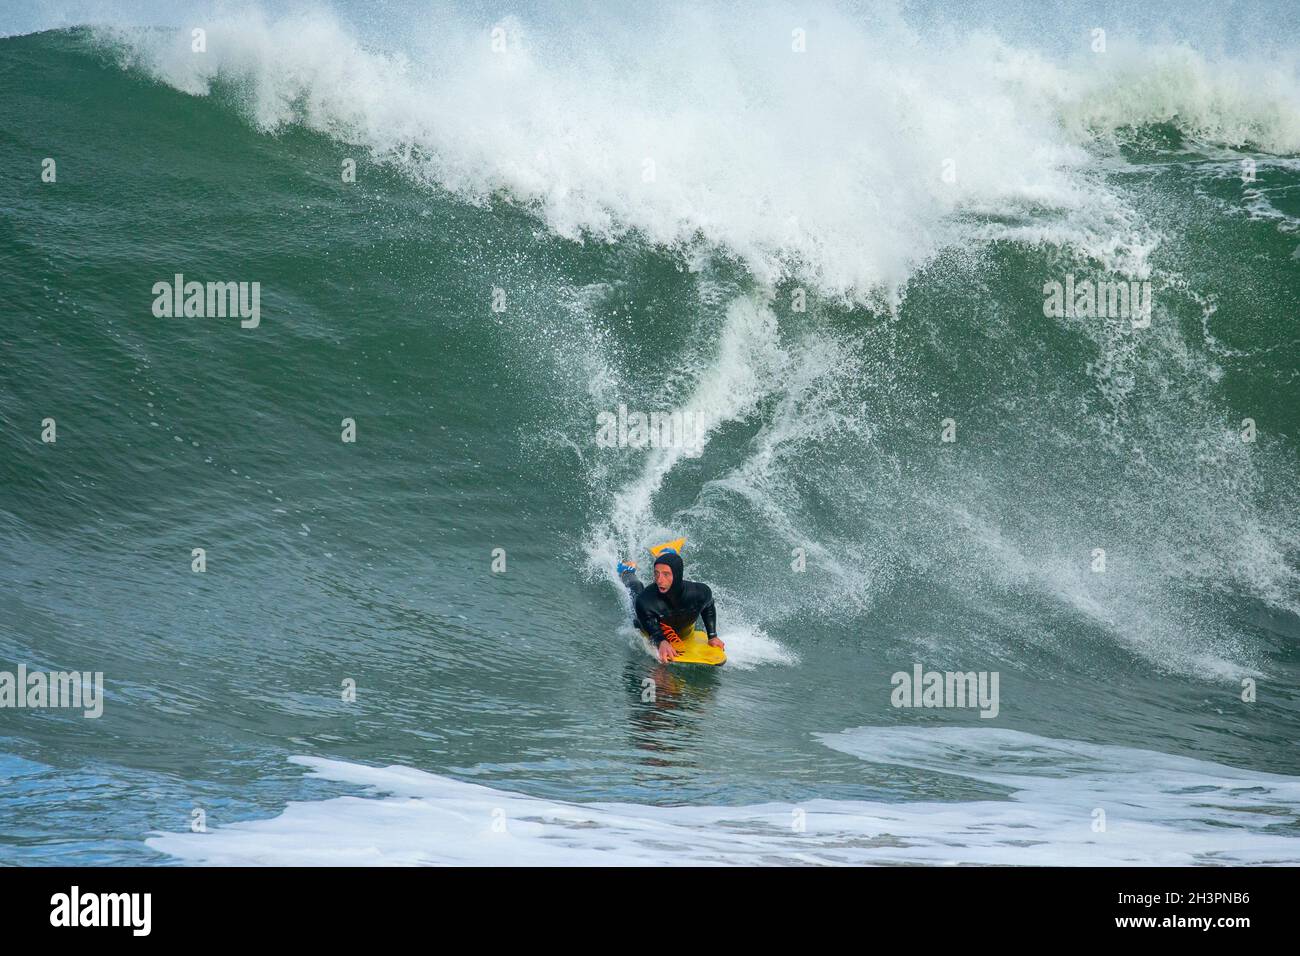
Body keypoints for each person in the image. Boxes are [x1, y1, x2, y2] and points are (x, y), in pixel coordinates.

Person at [618, 543, 725, 662]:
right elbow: (649, 625)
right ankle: (627, 571)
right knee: (636, 586)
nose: (659, 580)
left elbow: (708, 605)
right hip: (648, 625)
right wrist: (661, 641)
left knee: (670, 564)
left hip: (684, 633)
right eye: (656, 573)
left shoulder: (700, 592)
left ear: (677, 575)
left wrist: (712, 636)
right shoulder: (645, 601)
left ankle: (667, 553)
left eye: (666, 574)